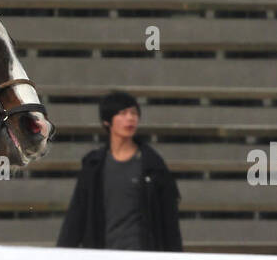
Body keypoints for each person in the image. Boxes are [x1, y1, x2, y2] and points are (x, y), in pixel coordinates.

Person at [56, 90, 183, 251]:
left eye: (134, 113)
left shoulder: (153, 165)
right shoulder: (94, 165)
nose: (130, 118)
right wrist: (61, 254)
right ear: (107, 121)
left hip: (144, 258)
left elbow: (169, 222)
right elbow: (76, 216)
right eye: (122, 113)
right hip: (103, 257)